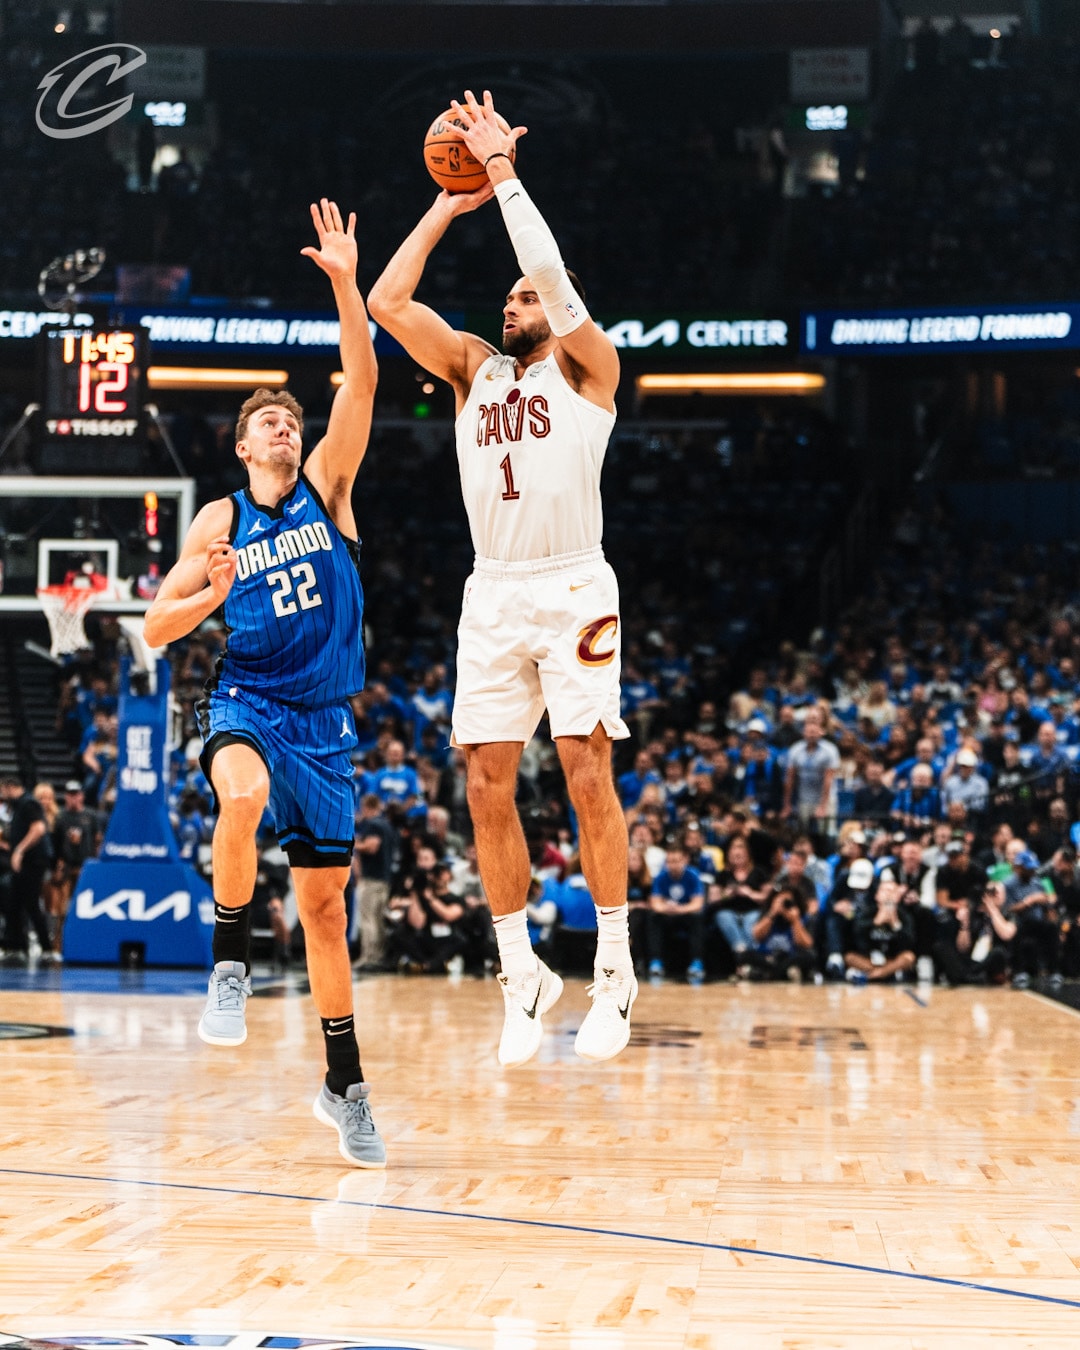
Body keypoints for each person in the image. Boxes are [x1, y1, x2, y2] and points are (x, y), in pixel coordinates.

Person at [369, 90, 636, 1068]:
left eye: (527, 297)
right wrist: (452, 201)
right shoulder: (474, 370)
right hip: (493, 590)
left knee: (581, 767)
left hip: (573, 586)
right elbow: (387, 304)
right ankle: (522, 972)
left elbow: (555, 280)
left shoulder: (588, 370)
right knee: (484, 783)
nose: (514, 301)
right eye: (512, 297)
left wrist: (509, 173)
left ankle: (613, 968)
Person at [142, 199, 385, 1168]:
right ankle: (230, 964)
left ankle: (344, 1084)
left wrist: (342, 281)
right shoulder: (218, 521)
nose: (285, 428)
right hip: (245, 701)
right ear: (244, 449)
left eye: (290, 418)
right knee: (237, 794)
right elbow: (158, 628)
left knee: (325, 912)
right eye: (268, 422)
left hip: (324, 722)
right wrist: (211, 589)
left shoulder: (330, 487)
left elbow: (362, 378)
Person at [0, 777, 52, 963]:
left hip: (32, 862)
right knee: (13, 902)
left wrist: (20, 850)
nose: (2, 794)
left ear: (11, 787)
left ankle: (46, 948)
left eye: (3, 790)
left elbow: (38, 829)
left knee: (31, 904)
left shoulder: (28, 803)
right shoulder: (20, 805)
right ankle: (15, 945)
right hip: (25, 863)